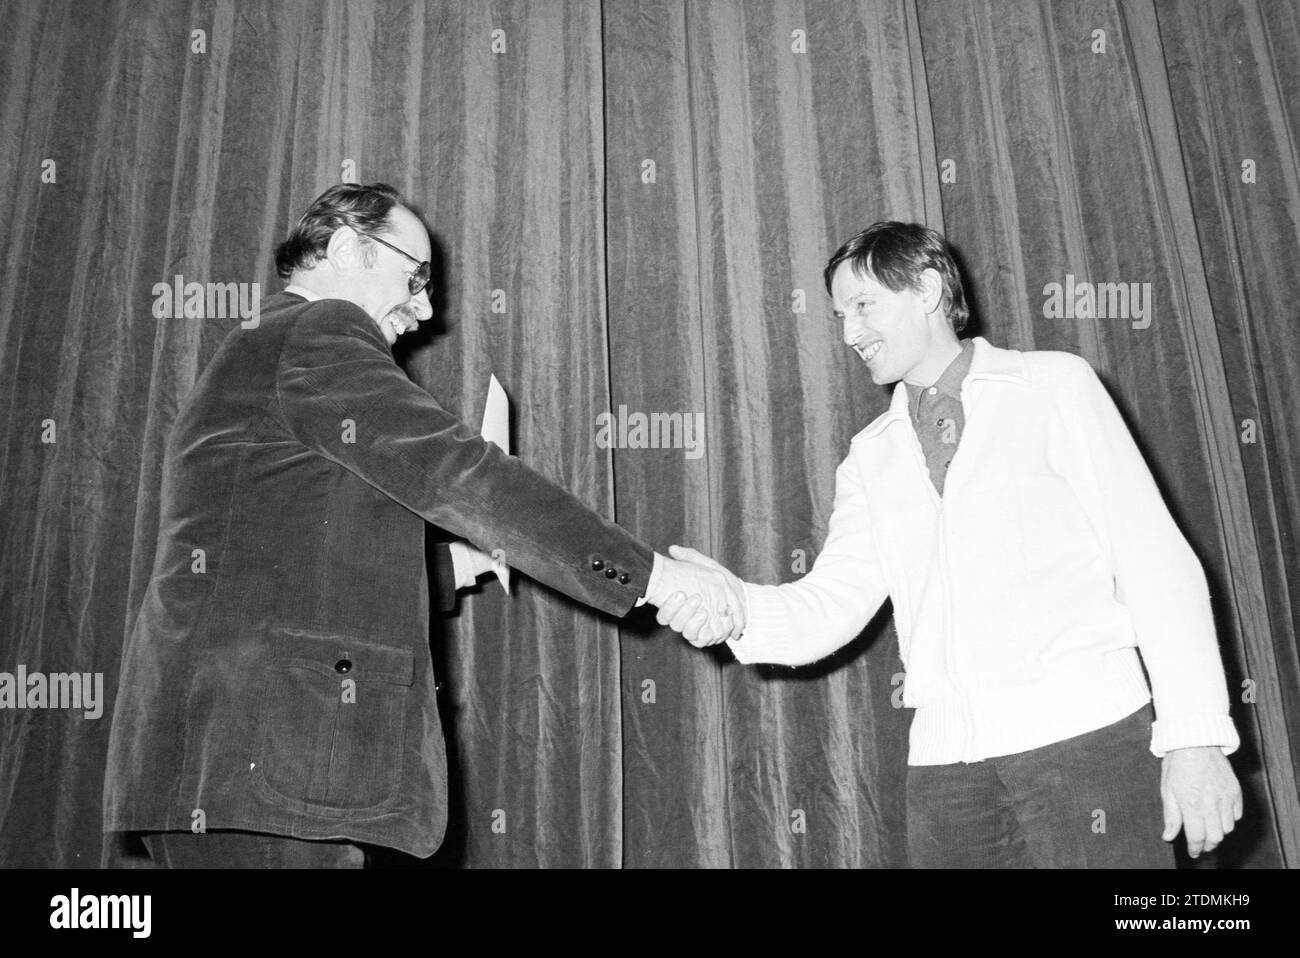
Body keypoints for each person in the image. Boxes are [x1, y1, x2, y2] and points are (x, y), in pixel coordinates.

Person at [104, 182, 742, 868]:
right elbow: (460, 475)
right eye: (415, 277)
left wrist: (456, 567)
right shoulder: (318, 332)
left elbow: (277, 549)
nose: (426, 307)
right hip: (268, 757)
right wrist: (655, 579)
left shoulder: (264, 348)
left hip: (230, 764)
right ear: (348, 248)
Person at [658, 221, 1242, 867]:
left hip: (1090, 745)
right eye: (839, 315)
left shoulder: (1054, 386)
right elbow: (829, 606)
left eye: (863, 306)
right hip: (945, 781)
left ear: (929, 289)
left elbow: (1155, 564)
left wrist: (1194, 739)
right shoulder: (867, 458)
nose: (850, 332)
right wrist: (735, 606)